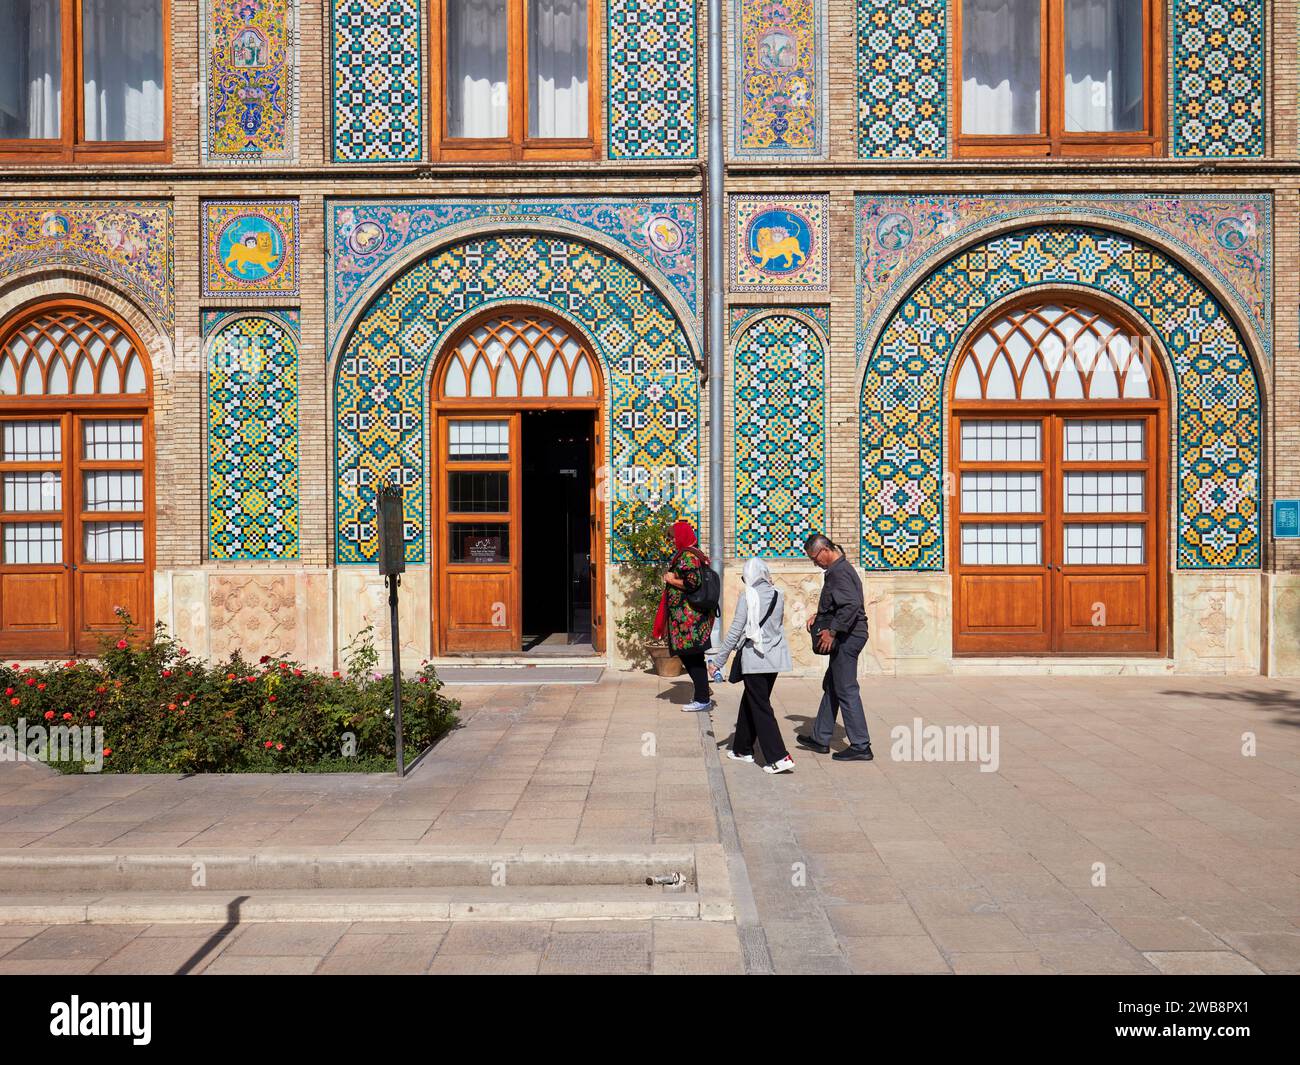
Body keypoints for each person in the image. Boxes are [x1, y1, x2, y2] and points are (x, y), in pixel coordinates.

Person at [707, 559, 795, 774]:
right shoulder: (778, 593)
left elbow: (736, 630)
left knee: (761, 707)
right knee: (752, 700)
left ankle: (779, 757)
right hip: (774, 659)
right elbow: (776, 626)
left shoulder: (748, 596)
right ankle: (742, 749)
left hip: (755, 659)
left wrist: (718, 661)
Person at [798, 533, 874, 761]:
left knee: (846, 688)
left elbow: (850, 605)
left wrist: (832, 632)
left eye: (814, 558)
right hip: (847, 634)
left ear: (825, 550)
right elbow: (839, 603)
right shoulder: (839, 569)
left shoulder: (839, 572)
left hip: (848, 636)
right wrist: (819, 615)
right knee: (833, 684)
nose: (815, 562)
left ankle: (861, 745)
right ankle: (820, 738)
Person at [652, 520, 715, 711]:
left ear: (681, 536)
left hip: (689, 620)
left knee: (691, 656)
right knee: (693, 657)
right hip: (689, 618)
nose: (672, 542)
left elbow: (692, 582)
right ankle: (702, 694)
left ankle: (702, 698)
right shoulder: (693, 554)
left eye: (673, 538)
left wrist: (672, 579)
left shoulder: (687, 556)